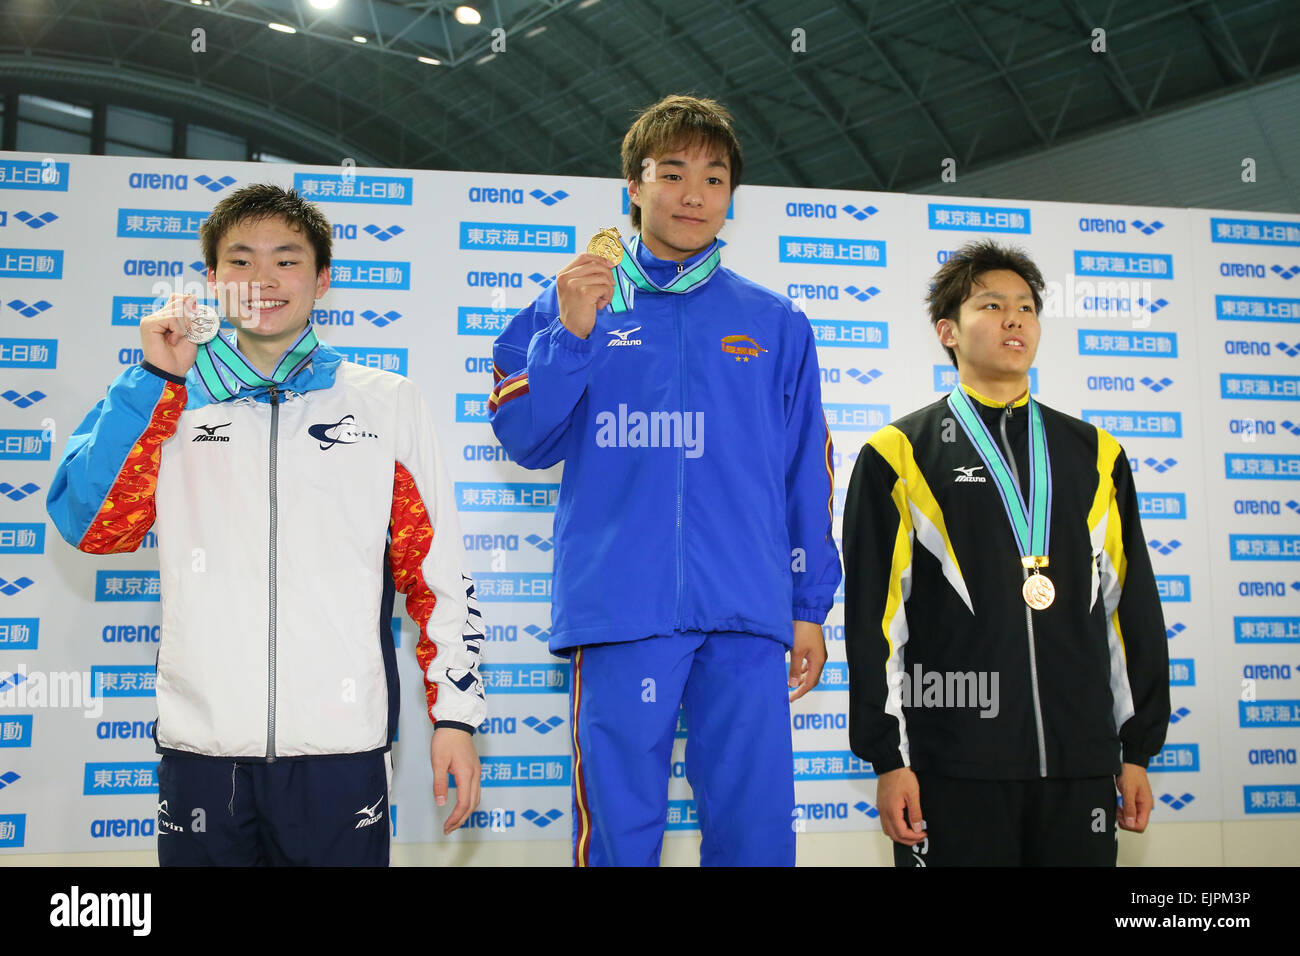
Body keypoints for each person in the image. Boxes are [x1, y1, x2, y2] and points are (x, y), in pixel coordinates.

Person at [47, 184, 483, 866]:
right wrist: (153, 382)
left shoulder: (386, 403)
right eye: (241, 261)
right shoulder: (166, 396)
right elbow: (93, 526)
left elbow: (437, 576)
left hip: (341, 751)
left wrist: (455, 717)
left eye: (286, 259)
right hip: (203, 750)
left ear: (322, 279)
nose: (264, 280)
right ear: (214, 282)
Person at [489, 94, 841, 867]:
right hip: (621, 608)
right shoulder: (573, 300)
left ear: (731, 199)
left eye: (714, 178)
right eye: (672, 173)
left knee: (754, 833)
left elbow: (803, 472)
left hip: (746, 610)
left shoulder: (774, 321)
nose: (693, 195)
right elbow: (524, 438)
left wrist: (808, 604)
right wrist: (571, 334)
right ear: (633, 189)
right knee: (619, 833)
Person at [842, 240, 1170, 866]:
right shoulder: (898, 453)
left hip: (1080, 767)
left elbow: (1130, 610)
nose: (1014, 319)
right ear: (949, 331)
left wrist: (1134, 751)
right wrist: (890, 760)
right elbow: (874, 620)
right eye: (991, 305)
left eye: (1025, 306)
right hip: (953, 766)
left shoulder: (1095, 453)